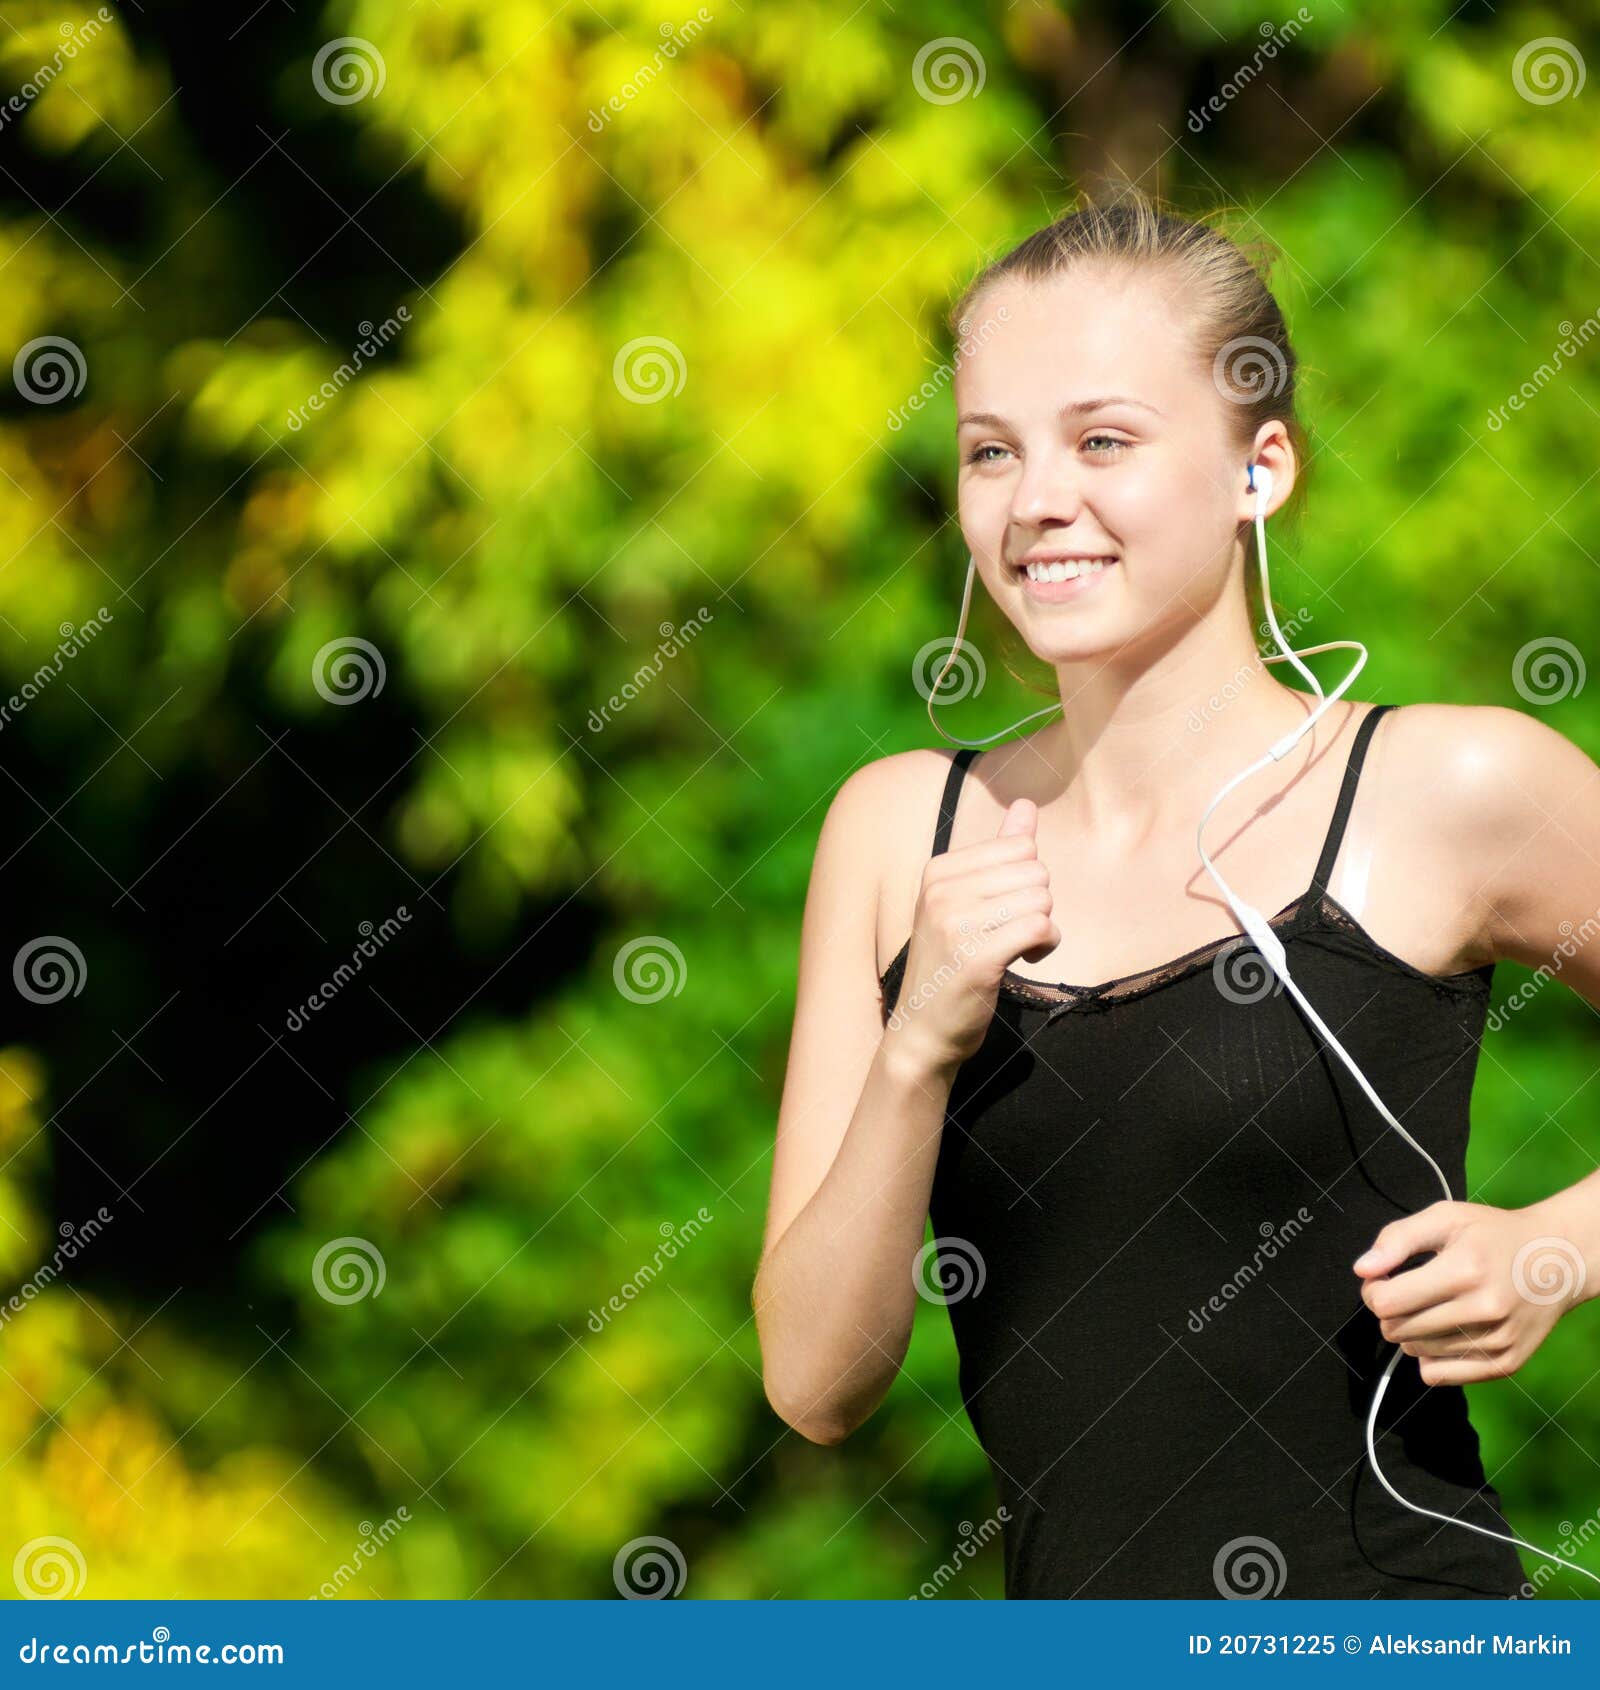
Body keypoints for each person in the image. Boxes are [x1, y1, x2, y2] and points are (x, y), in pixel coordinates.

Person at [751, 184, 1600, 1599]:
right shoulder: (901, 833)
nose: (1038, 500)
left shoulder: (1450, 789)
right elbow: (813, 1381)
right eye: (991, 450)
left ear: (1260, 467)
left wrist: (1558, 1246)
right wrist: (916, 1049)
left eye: (1104, 440)